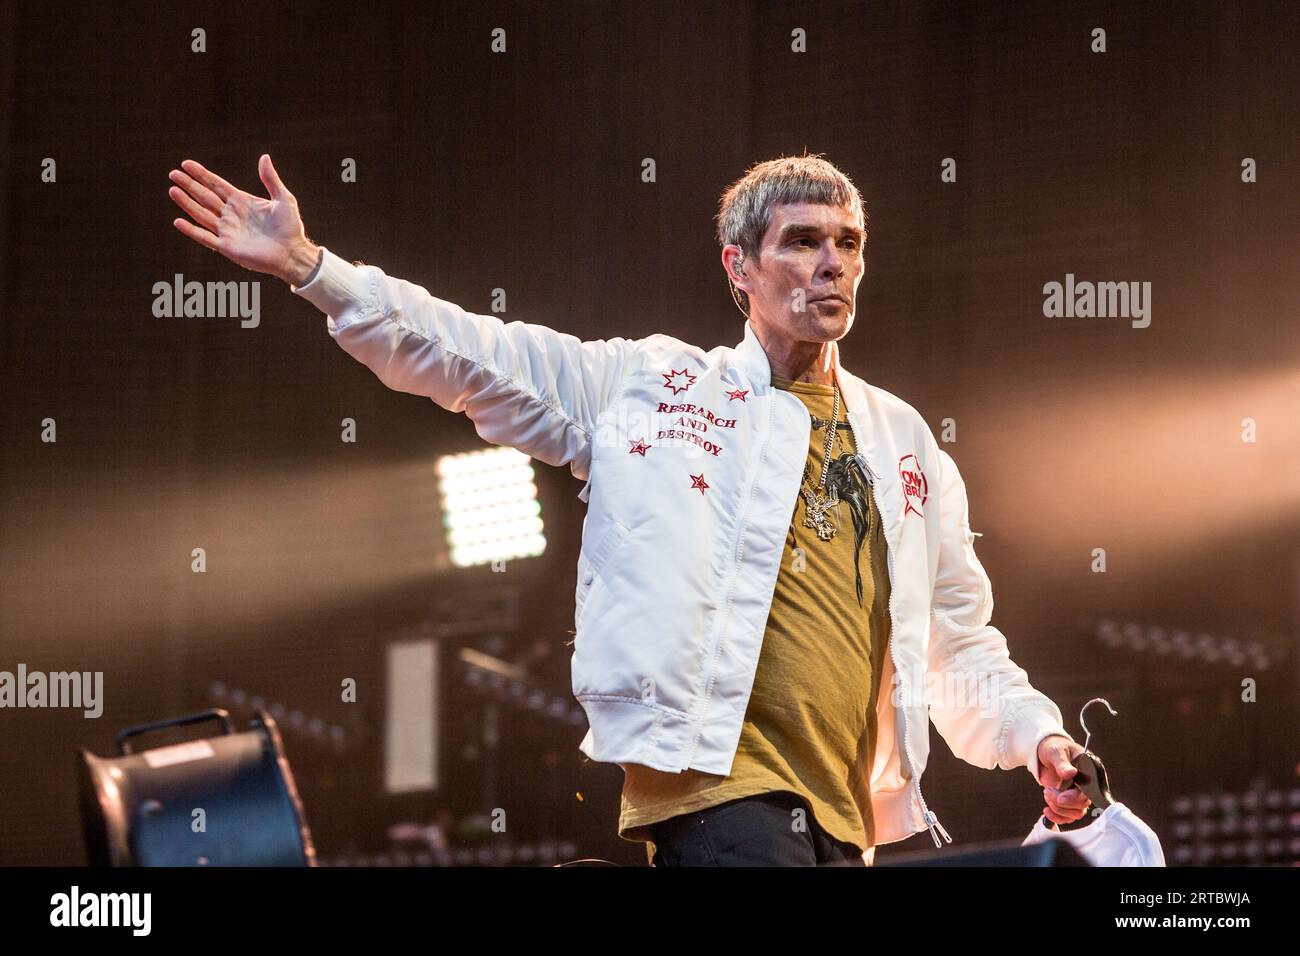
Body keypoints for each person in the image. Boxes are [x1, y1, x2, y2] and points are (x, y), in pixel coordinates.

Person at [168, 152, 1091, 866]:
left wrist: (1038, 734)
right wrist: (309, 266)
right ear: (740, 265)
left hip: (849, 815)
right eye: (801, 241)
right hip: (712, 787)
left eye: (848, 243)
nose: (831, 265)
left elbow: (959, 639)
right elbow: (470, 353)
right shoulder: (654, 387)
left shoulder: (905, 440)